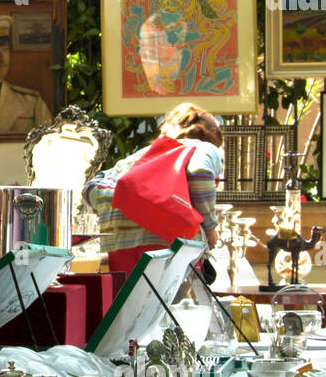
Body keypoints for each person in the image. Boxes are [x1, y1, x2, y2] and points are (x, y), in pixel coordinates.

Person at [86, 102, 223, 274]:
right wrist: (210, 229)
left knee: (131, 300)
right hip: (168, 241)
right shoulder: (203, 147)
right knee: (174, 300)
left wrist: (125, 207)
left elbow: (91, 187)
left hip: (119, 244)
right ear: (213, 137)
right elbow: (200, 173)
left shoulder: (140, 155)